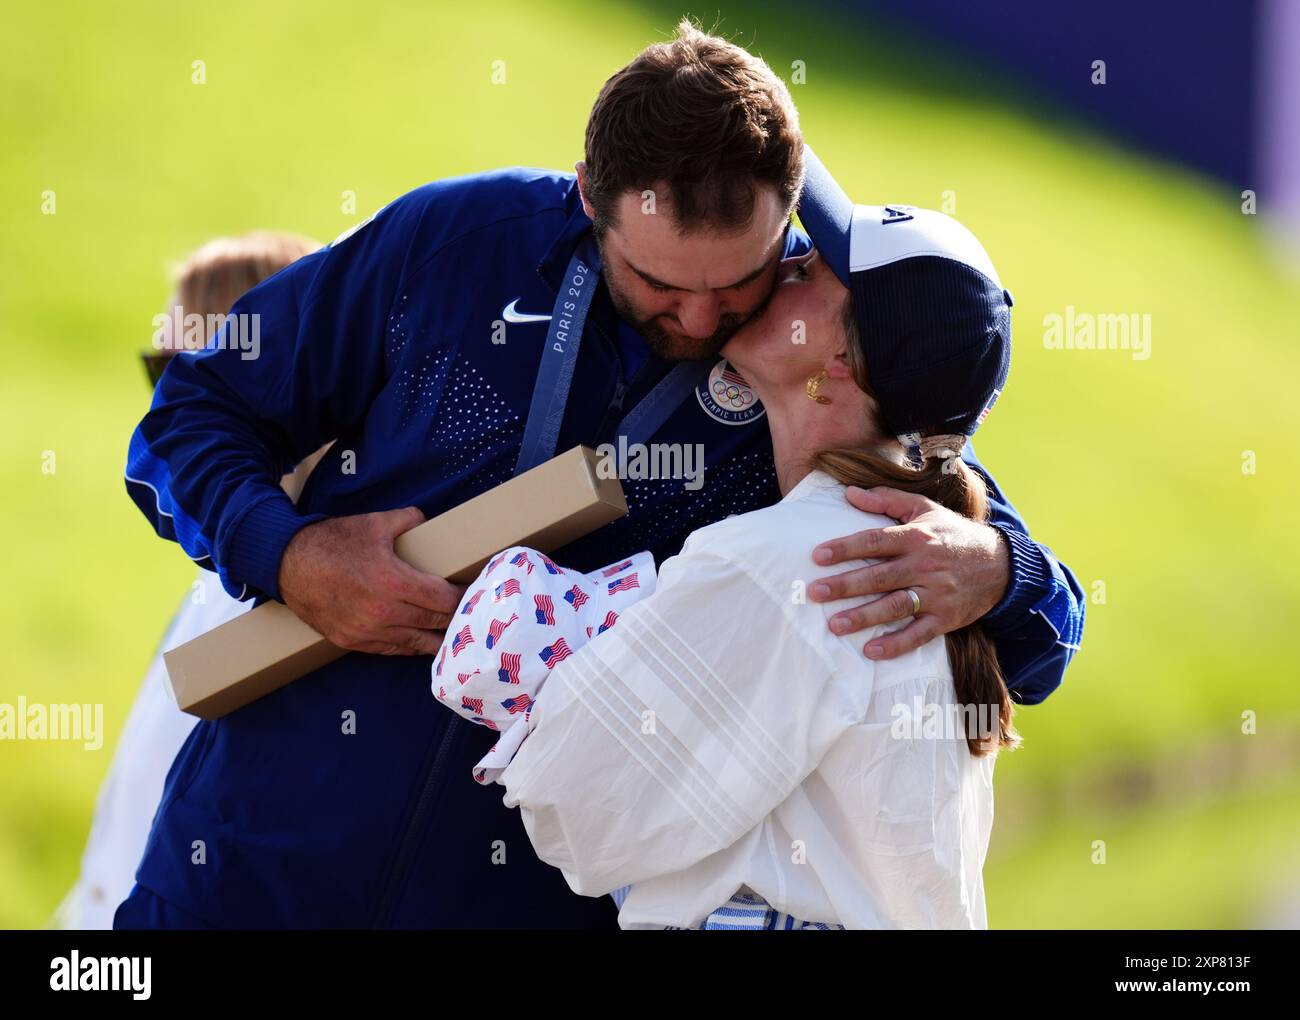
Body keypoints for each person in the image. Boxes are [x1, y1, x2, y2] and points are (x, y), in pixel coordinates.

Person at [116, 22, 1082, 929]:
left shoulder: (823, 348)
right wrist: (284, 556)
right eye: (660, 284)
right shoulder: (454, 240)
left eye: (734, 283)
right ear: (589, 197)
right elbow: (189, 416)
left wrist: (1001, 572)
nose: (701, 324)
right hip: (247, 869)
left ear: (787, 224)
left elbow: (1036, 634)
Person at [430, 152, 1021, 929]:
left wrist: (550, 637)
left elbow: (574, 814)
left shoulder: (786, 560)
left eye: (813, 271)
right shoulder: (903, 551)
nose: (788, 264)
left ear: (836, 363)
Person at [53, 232, 320, 929]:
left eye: (182, 372)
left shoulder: (308, 590)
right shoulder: (227, 569)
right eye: (160, 373)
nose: (168, 418)